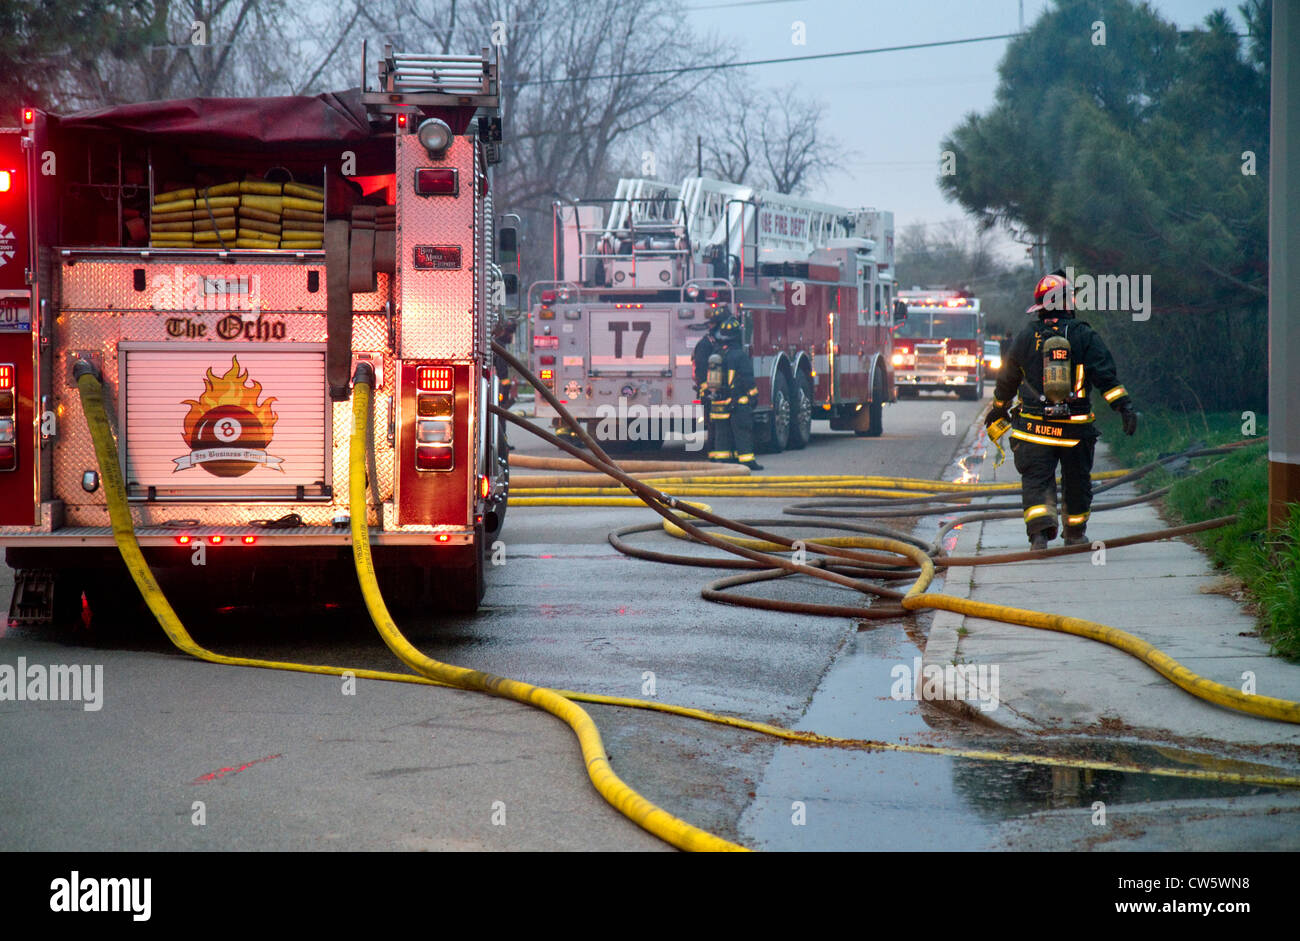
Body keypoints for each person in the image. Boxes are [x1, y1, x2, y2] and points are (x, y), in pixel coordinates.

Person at [985, 271, 1137, 550]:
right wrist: (1124, 406)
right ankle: (1075, 534)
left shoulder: (1026, 337)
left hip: (1034, 431)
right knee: (1077, 482)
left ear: (1040, 306)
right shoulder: (1084, 335)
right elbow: (1106, 377)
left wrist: (998, 409)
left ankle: (1040, 535)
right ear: (1069, 302)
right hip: (1075, 430)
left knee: (1036, 480)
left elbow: (1007, 380)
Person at [702, 317, 762, 470]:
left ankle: (723, 461)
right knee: (743, 431)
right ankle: (747, 461)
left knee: (722, 433)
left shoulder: (717, 353)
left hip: (718, 402)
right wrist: (753, 396)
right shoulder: (740, 356)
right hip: (737, 402)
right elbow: (748, 378)